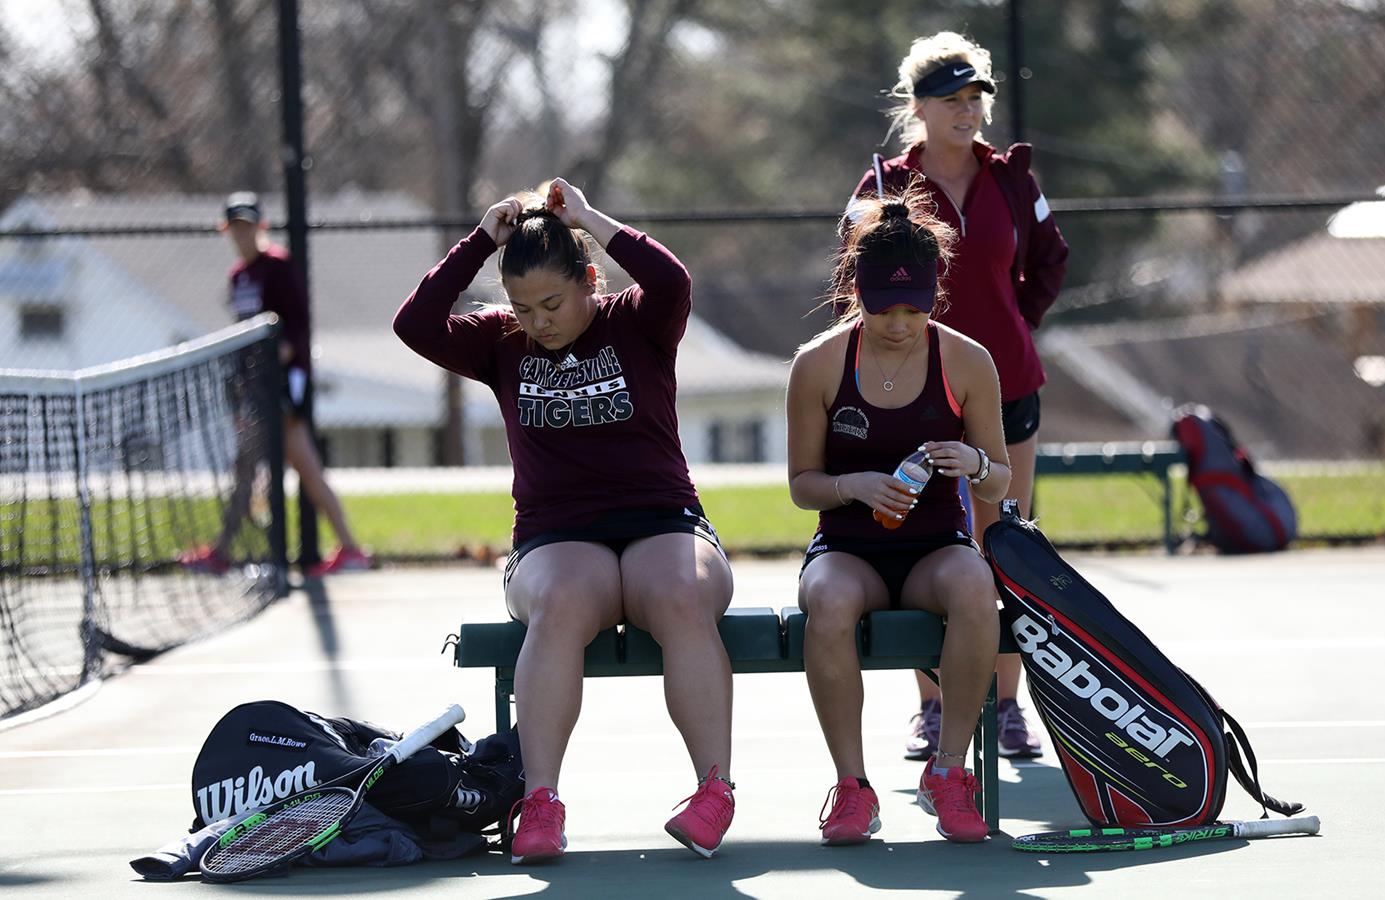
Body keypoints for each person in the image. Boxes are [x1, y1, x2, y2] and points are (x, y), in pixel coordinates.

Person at [393, 180, 736, 863]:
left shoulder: (638, 320)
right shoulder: (501, 341)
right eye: (523, 306)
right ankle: (541, 801)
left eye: (552, 303)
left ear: (589, 281)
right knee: (562, 599)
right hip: (556, 537)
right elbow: (415, 325)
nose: (539, 321)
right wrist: (479, 243)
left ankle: (713, 791)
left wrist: (586, 217)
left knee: (680, 593)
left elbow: (673, 278)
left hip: (663, 522)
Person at [848, 32, 1069, 761]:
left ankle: (1007, 709)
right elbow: (855, 279)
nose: (968, 112)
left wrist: (1013, 327)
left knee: (1006, 541)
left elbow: (1049, 259)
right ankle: (936, 706)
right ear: (917, 107)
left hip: (1009, 387)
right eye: (952, 100)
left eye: (977, 98)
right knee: (926, 543)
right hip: (918, 396)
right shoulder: (883, 187)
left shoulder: (1014, 181)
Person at [788, 189, 1012, 845]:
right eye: (884, 308)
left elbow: (1000, 479)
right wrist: (853, 485)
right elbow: (803, 487)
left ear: (935, 297)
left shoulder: (968, 361)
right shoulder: (819, 364)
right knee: (826, 600)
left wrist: (971, 461)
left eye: (914, 309)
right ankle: (853, 787)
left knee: (975, 587)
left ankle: (948, 772)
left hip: (934, 551)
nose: (898, 323)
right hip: (847, 552)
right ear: (857, 294)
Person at [181, 191, 371, 577]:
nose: (241, 235)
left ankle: (350, 550)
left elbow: (295, 328)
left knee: (295, 466)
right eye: (234, 228)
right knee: (251, 468)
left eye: (247, 227)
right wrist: (242, 386)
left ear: (260, 227)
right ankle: (225, 550)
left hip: (282, 386)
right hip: (255, 389)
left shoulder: (279, 267)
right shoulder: (238, 277)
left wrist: (277, 364)